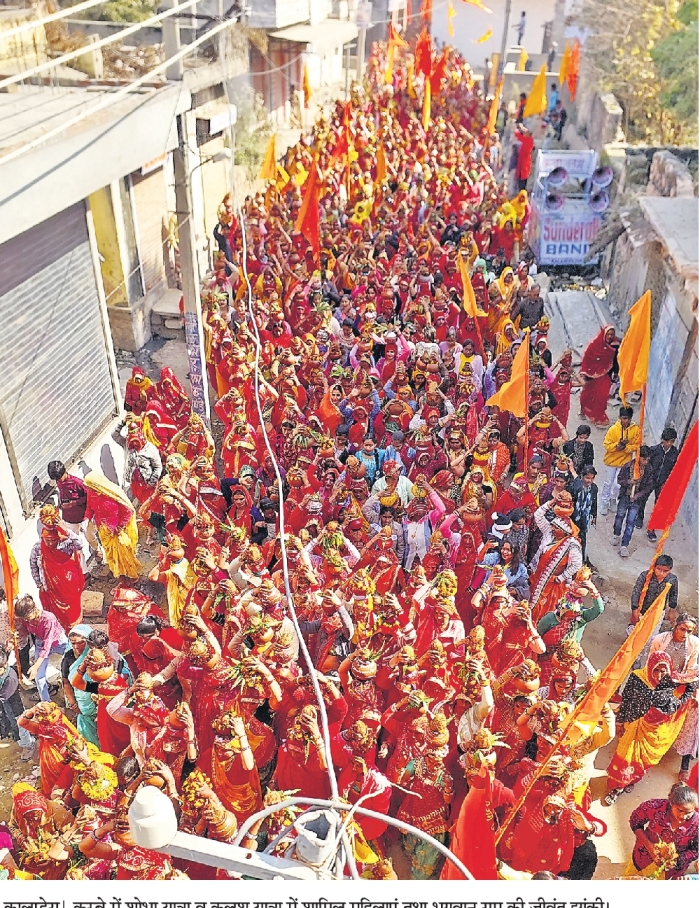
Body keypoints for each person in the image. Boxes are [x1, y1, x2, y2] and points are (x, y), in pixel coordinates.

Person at [604, 651, 697, 804]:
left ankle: (632, 780)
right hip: (633, 726)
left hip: (654, 733)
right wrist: (619, 722)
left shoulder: (672, 685)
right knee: (623, 758)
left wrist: (687, 691)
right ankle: (617, 788)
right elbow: (626, 700)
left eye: (663, 671)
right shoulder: (637, 678)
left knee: (642, 763)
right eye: (656, 670)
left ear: (669, 670)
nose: (659, 675)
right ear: (650, 667)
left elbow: (688, 688)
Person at [626, 782, 698, 878]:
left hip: (671, 871)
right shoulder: (653, 807)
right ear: (671, 803)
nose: (683, 816)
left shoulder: (697, 824)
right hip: (643, 857)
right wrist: (649, 846)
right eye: (680, 810)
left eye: (689, 812)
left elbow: (696, 850)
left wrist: (677, 860)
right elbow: (635, 822)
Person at [14, 595, 68, 702]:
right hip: (40, 642)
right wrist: (16, 635)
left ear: (34, 610)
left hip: (58, 642)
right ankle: (46, 704)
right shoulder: (25, 620)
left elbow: (47, 645)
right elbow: (25, 631)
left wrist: (35, 666)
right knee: (39, 679)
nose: (26, 620)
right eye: (24, 618)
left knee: (73, 664)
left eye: (27, 617)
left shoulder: (48, 618)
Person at [611, 446, 654, 556]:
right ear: (639, 457)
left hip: (636, 501)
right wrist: (628, 482)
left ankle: (625, 545)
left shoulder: (648, 470)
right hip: (625, 497)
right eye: (644, 459)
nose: (646, 461)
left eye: (647, 459)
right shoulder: (627, 466)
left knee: (630, 522)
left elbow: (648, 487)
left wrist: (637, 496)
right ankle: (616, 534)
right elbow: (619, 480)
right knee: (619, 517)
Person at [600, 406, 640, 516]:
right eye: (624, 418)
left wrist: (626, 448)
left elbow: (637, 445)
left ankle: (613, 499)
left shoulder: (636, 430)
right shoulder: (613, 429)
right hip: (611, 461)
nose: (626, 421)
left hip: (624, 462)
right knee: (608, 483)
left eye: (628, 418)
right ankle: (604, 502)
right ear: (619, 417)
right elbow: (606, 445)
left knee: (618, 484)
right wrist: (617, 446)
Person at [642, 428, 679, 540]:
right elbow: (647, 465)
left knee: (659, 506)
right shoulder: (654, 450)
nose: (668, 444)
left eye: (671, 441)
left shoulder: (675, 454)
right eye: (667, 441)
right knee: (642, 499)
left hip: (663, 483)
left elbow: (674, 470)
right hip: (650, 480)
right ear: (662, 439)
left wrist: (668, 483)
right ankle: (639, 518)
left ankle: (651, 528)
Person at [578, 326, 619, 427]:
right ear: (604, 334)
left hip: (605, 375)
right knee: (587, 395)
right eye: (608, 334)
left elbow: (616, 361)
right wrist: (585, 373)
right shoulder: (595, 345)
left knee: (602, 396)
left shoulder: (615, 346)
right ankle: (584, 411)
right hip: (591, 375)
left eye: (612, 334)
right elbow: (587, 359)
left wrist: (616, 373)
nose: (610, 336)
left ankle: (599, 417)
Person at [0, 649, 35, 761]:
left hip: (15, 708)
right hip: (6, 706)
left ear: (5, 665)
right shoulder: (3, 673)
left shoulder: (10, 679)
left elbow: (2, 696)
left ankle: (28, 745)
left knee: (20, 726)